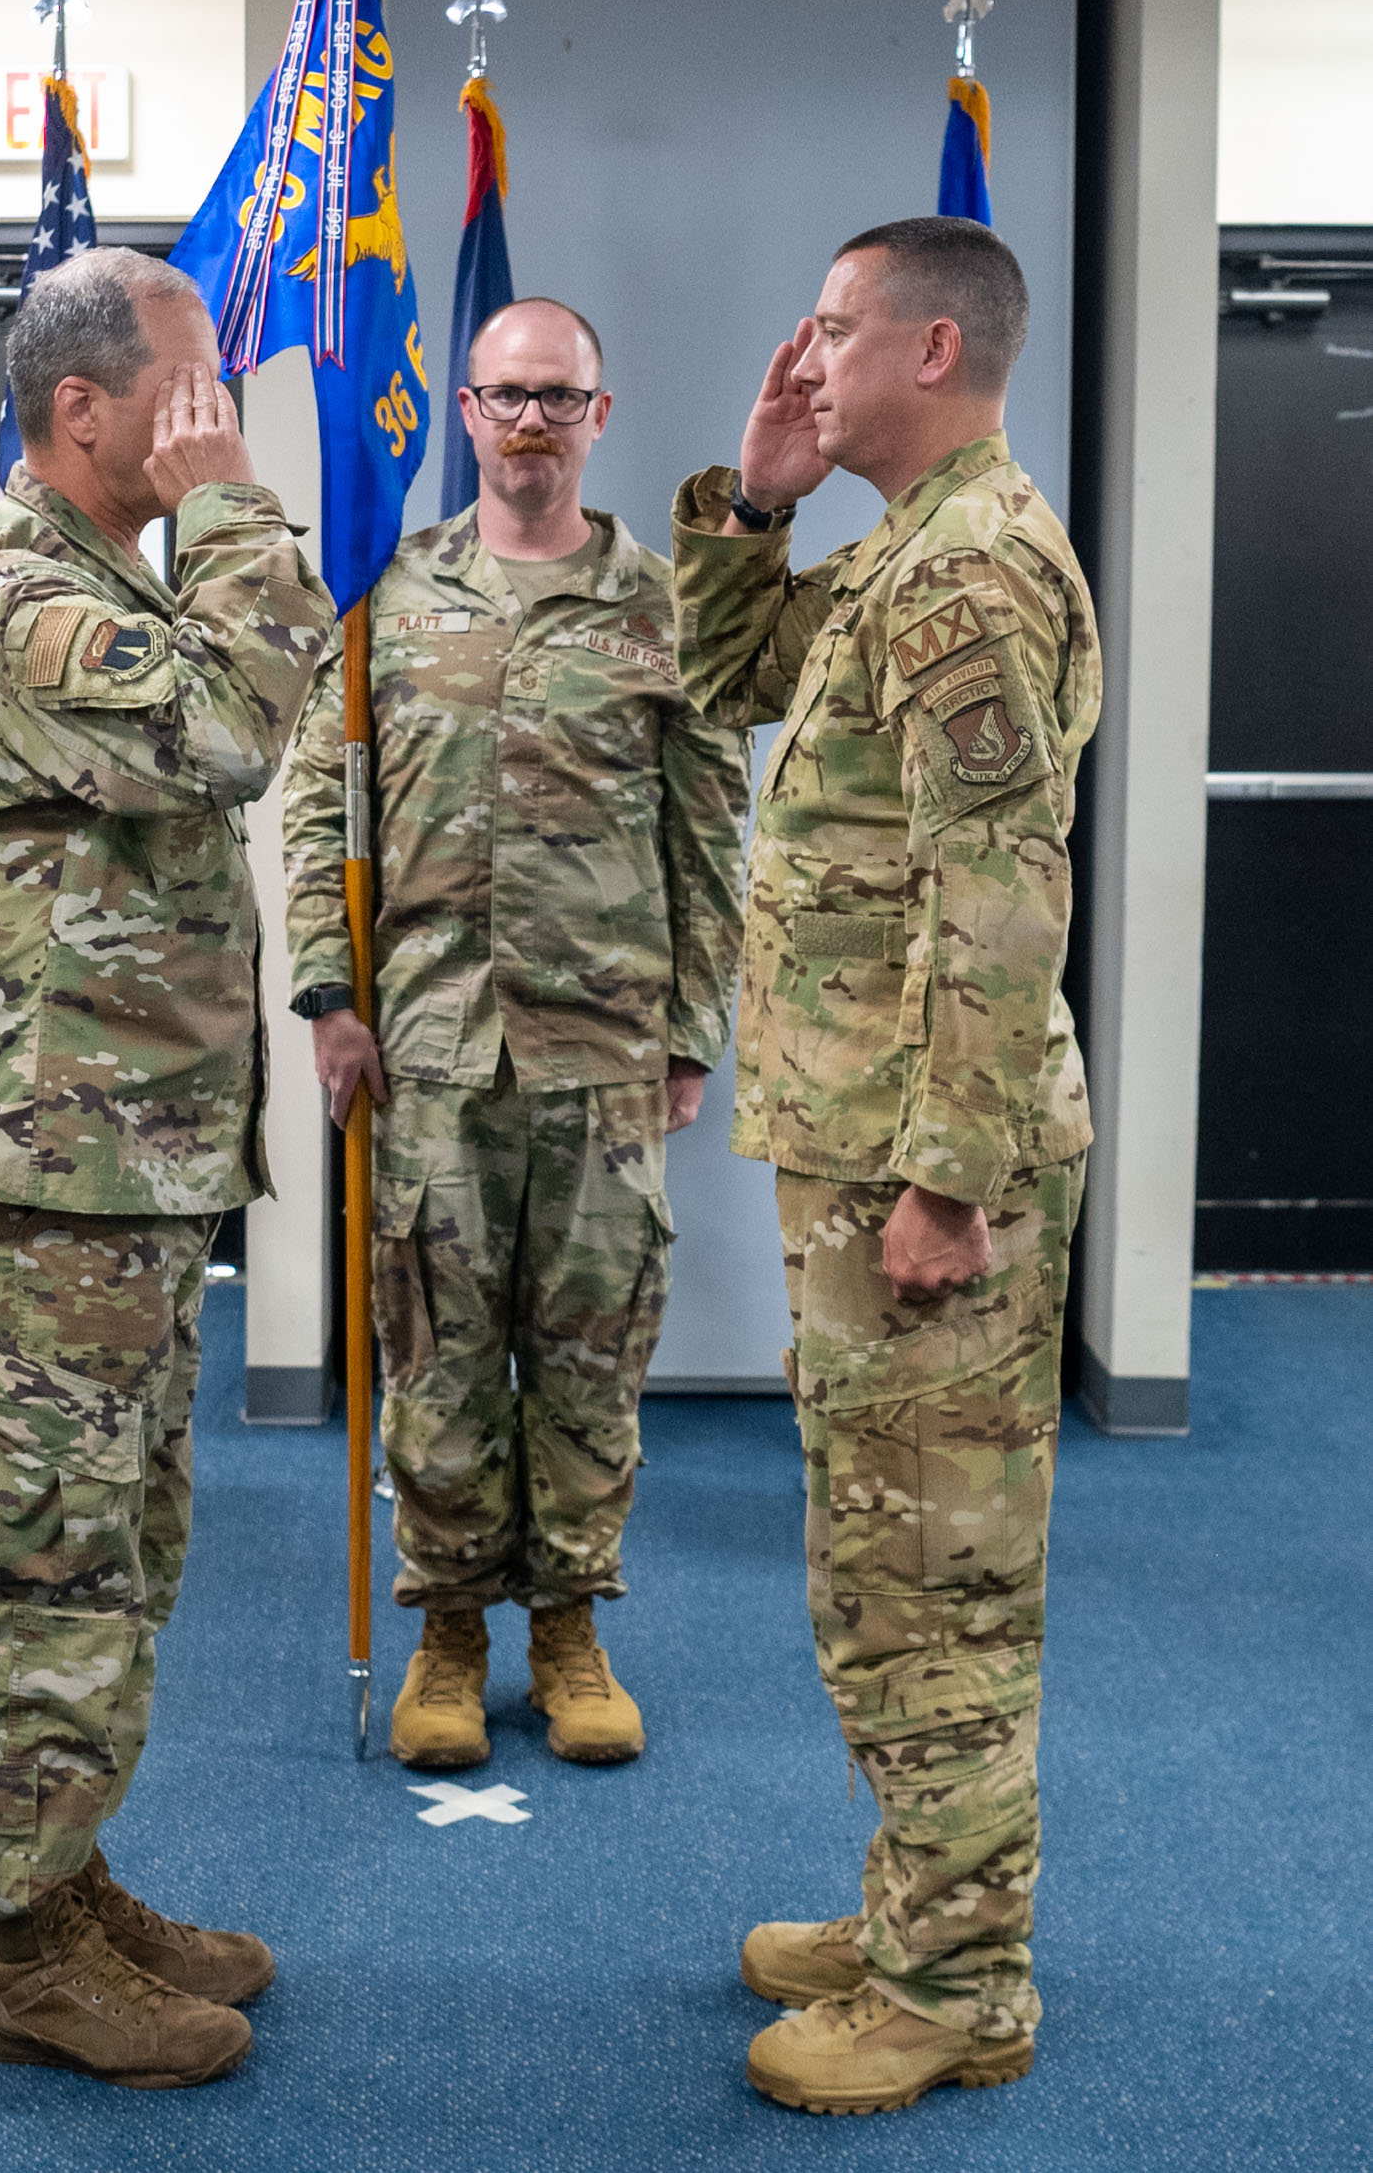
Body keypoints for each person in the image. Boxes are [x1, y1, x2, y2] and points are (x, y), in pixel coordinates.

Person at [0, 247, 334, 2087]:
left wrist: (197, 518)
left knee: (113, 1552)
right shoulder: (9, 607)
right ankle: (17, 1953)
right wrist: (235, 511)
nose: (211, 414)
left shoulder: (92, 584)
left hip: (111, 1182)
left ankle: (62, 1884)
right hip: (33, 1187)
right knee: (30, 1565)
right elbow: (236, 728)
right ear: (87, 412)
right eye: (190, 386)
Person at [671, 218, 1100, 2116]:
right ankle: (920, 1903)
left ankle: (960, 1985)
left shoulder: (974, 577)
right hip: (865, 1141)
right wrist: (751, 505)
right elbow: (731, 686)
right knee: (880, 1556)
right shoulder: (910, 553)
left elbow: (1003, 902)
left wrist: (948, 1180)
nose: (805, 354)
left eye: (836, 330)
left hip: (925, 1164)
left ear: (934, 352)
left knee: (932, 1579)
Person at [282, 297, 748, 1770]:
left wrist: (692, 1028)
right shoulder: (386, 593)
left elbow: (710, 836)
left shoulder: (666, 609)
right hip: (427, 1050)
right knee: (435, 1351)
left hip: (603, 1054)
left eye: (560, 397)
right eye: (506, 396)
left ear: (601, 417)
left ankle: (569, 1629)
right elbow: (318, 804)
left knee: (591, 1355)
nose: (532, 421)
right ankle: (447, 1633)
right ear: (464, 414)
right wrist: (329, 996)